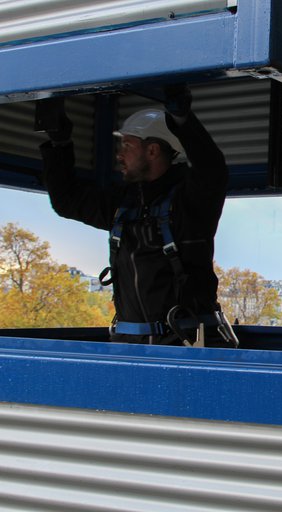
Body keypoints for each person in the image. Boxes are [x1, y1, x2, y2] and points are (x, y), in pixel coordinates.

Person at [37, 86, 238, 347]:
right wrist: (59, 146)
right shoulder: (123, 203)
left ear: (153, 151)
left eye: (127, 145)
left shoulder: (190, 203)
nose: (119, 155)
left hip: (186, 345)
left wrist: (183, 121)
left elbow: (212, 170)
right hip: (129, 344)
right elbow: (66, 202)